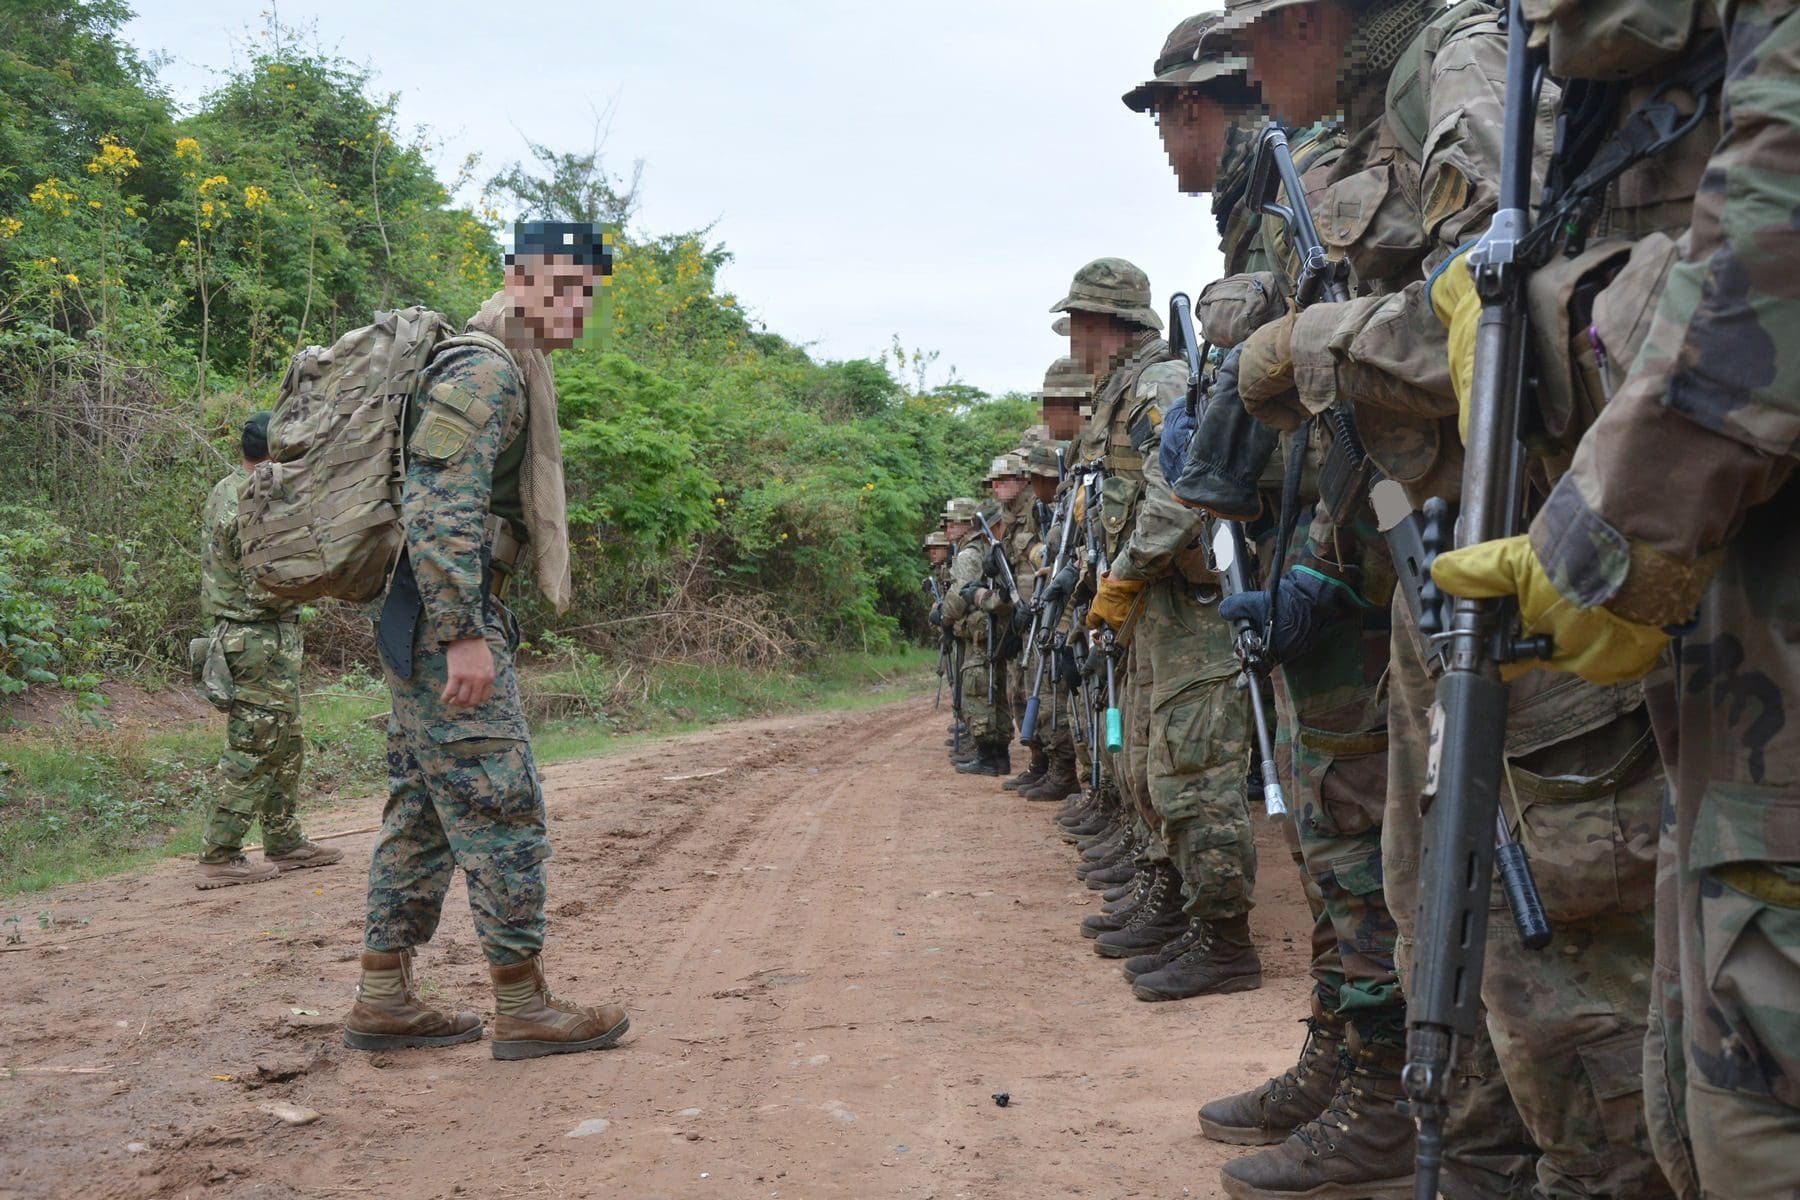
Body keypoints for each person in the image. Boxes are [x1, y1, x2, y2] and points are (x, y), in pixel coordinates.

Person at [1216, 1, 1674, 1196]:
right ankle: (1473, 1153)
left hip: (1532, 567)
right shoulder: (1382, 108)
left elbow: (1516, 314)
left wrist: (1311, 344)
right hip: (1458, 560)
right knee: (1447, 905)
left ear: (1317, 15)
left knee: (1555, 936)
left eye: (1255, 39)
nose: (1246, 74)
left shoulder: (1463, 65)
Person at [1428, 2, 1799, 1195]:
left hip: (1703, 571)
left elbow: (1768, 246)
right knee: (1712, 1080)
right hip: (1718, 637)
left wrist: (1558, 328)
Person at [342, 220, 629, 1061]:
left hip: (433, 615)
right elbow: (439, 508)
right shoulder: (484, 367)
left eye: (586, 290)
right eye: (560, 282)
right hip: (444, 621)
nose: (573, 304)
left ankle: (385, 996)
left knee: (426, 810)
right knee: (503, 804)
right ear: (517, 275)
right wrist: (464, 633)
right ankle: (524, 1003)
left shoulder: (512, 362)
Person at [195, 411, 344, 890]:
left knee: (286, 742)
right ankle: (221, 852)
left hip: (265, 638)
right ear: (275, 453)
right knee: (254, 747)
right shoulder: (250, 501)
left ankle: (284, 840)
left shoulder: (229, 488)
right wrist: (318, 584)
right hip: (254, 638)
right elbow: (260, 585)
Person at [942, 492, 1016, 776]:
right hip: (991, 628)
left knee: (978, 688)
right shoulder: (983, 550)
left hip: (981, 631)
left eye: (953, 523)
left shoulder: (970, 553)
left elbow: (960, 595)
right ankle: (996, 755)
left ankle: (988, 755)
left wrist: (945, 617)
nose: (948, 529)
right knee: (992, 690)